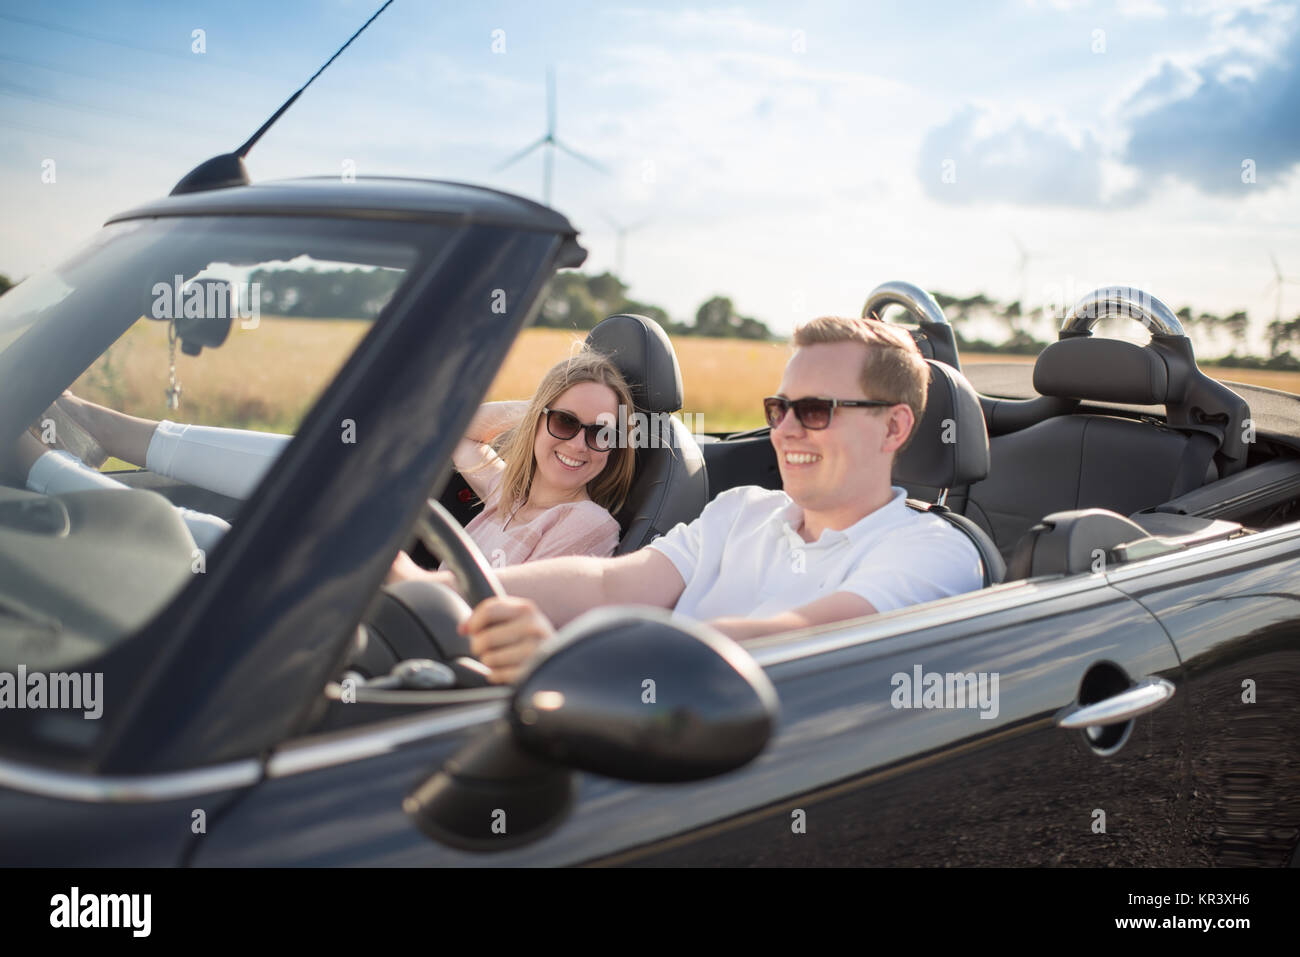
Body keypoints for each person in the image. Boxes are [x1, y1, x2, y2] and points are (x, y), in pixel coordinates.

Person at [390, 316, 985, 683]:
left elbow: (797, 633)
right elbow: (608, 587)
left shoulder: (934, 550)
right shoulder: (741, 510)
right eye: (779, 409)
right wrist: (416, 591)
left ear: (893, 428)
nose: (785, 431)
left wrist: (576, 659)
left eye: (814, 411)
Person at [15, 348, 638, 564]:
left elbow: (501, 617)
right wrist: (537, 412)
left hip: (405, 629)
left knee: (212, 545)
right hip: (390, 592)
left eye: (600, 434)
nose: (580, 445)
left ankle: (37, 464)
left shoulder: (585, 524)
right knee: (315, 466)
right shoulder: (509, 494)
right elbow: (460, 433)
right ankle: (99, 433)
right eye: (564, 423)